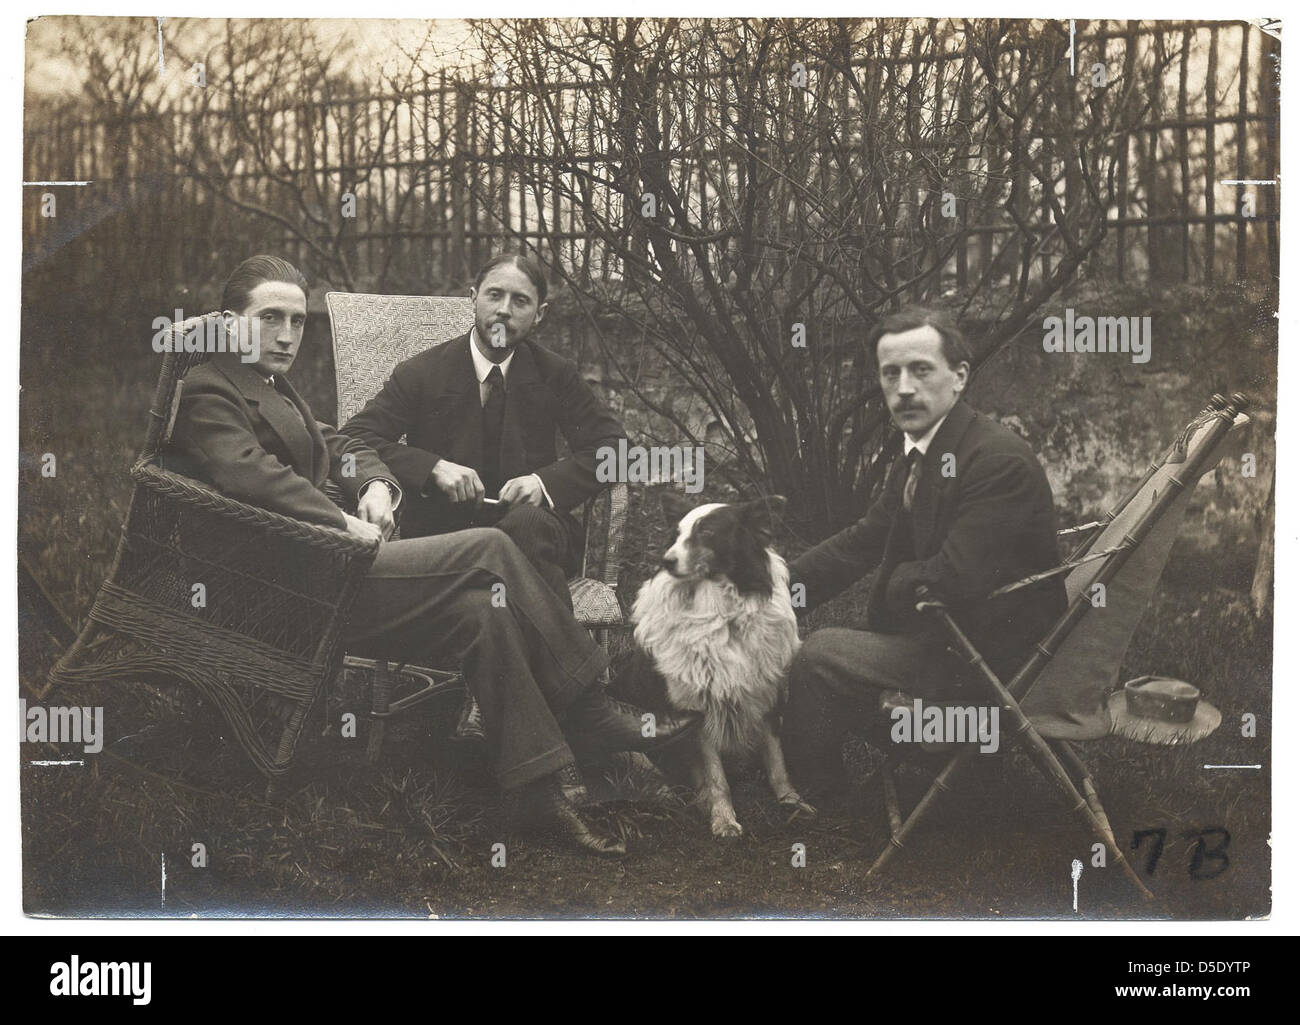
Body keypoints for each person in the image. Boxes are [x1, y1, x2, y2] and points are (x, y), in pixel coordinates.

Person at [164, 255, 696, 857]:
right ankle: (588, 704)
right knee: (492, 548)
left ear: (539, 314)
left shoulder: (269, 384)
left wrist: (373, 485)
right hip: (289, 584)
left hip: (330, 566)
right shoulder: (208, 389)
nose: (286, 334)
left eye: (296, 320)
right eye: (268, 319)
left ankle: (536, 794)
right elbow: (249, 475)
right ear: (230, 322)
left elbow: (339, 441)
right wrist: (341, 520)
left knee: (484, 612)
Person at [782, 308, 1067, 798]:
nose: (904, 388)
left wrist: (893, 581)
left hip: (993, 662)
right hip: (957, 639)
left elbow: (953, 581)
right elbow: (863, 541)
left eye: (921, 370)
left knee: (818, 656)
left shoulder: (996, 461)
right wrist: (770, 588)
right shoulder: (928, 450)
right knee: (814, 649)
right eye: (890, 373)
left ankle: (819, 795)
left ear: (959, 378)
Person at [340, 252, 625, 610]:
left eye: (520, 301)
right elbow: (353, 439)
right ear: (473, 298)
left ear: (540, 314)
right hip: (447, 538)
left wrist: (544, 483)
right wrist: (432, 468)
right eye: (494, 295)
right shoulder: (421, 373)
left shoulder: (555, 374)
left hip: (536, 533)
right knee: (502, 574)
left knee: (524, 528)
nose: (504, 310)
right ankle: (571, 663)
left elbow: (617, 451)